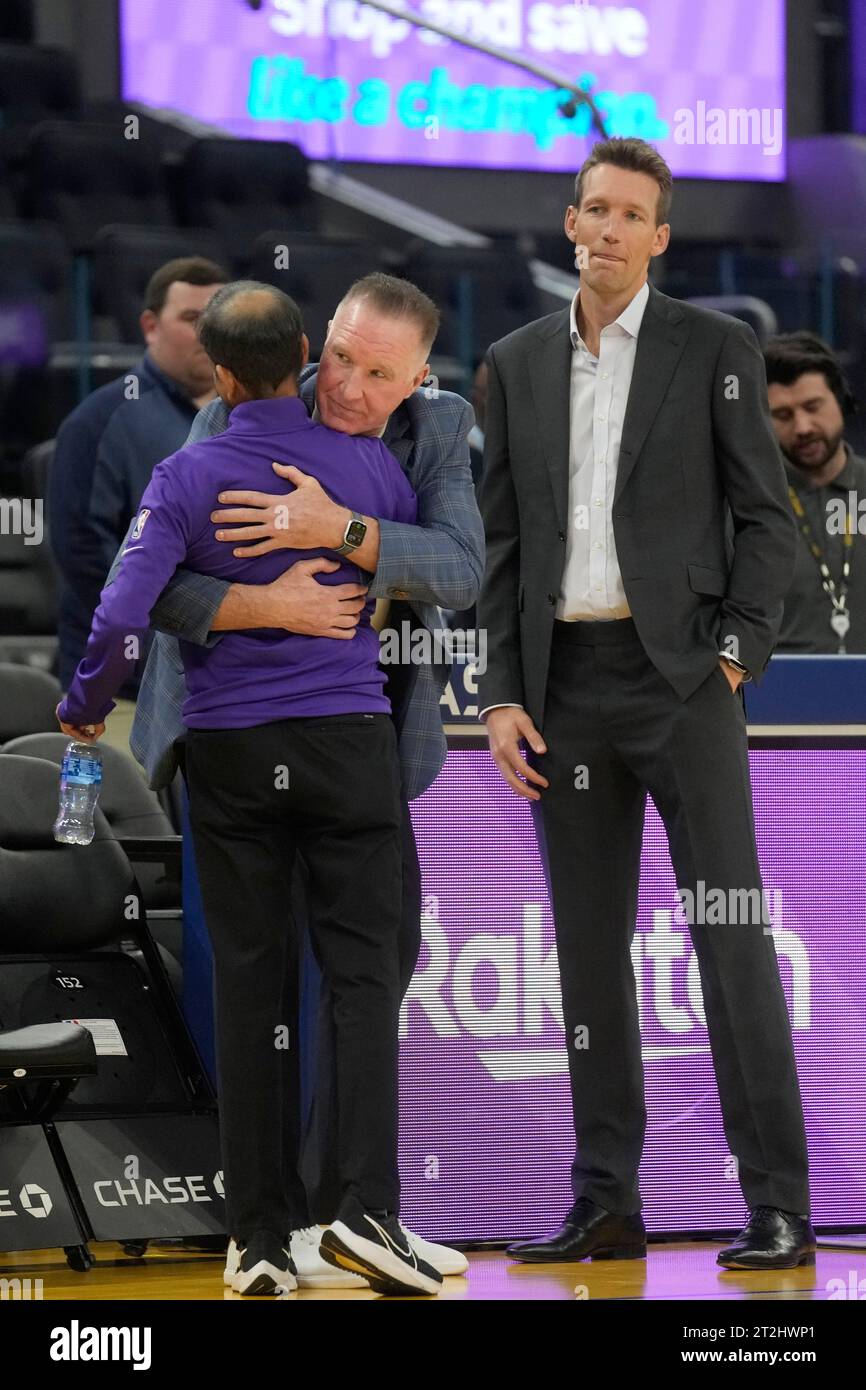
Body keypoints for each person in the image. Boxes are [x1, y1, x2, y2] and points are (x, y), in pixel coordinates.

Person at [57, 282, 443, 1298]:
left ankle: (257, 1238)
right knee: (364, 983)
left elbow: (121, 608)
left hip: (231, 755)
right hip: (349, 747)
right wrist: (305, 565)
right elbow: (408, 563)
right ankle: (363, 1210)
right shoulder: (369, 470)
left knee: (248, 984)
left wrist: (86, 703)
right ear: (307, 352)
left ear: (220, 375)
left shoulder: (185, 474)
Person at [477, 136, 814, 1271]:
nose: (610, 229)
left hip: (680, 687)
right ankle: (602, 1199)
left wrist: (731, 655)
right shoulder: (513, 361)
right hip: (563, 691)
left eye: (633, 214)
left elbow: (768, 521)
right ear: (569, 223)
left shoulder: (715, 348)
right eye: (595, 210)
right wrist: (500, 695)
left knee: (729, 941)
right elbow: (504, 547)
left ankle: (773, 1202)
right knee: (584, 957)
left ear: (660, 238)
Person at [49, 256, 228, 750]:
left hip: (223, 685)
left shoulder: (247, 421)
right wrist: (162, 636)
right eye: (192, 319)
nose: (208, 334)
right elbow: (84, 553)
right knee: (137, 825)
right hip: (117, 693)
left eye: (218, 320)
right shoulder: (98, 421)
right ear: (150, 325)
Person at [764, 332, 866, 654]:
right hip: (780, 698)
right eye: (783, 415)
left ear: (841, 401)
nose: (803, 427)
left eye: (813, 406)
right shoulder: (745, 505)